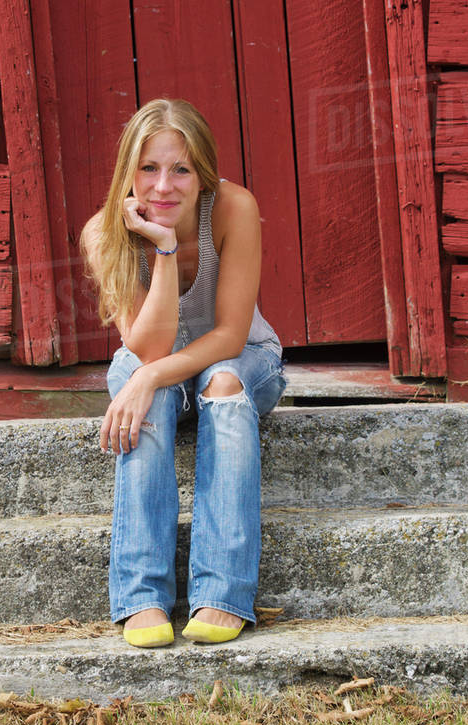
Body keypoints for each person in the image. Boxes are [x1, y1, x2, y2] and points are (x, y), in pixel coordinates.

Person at [80, 98, 287, 649]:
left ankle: (223, 592)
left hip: (242, 359)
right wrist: (164, 249)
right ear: (128, 173)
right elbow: (149, 347)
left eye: (181, 170)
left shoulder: (233, 208)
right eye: (148, 168)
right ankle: (141, 595)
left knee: (221, 382)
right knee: (142, 388)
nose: (163, 187)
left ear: (205, 174)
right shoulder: (104, 233)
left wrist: (147, 378)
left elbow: (230, 337)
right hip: (159, 362)